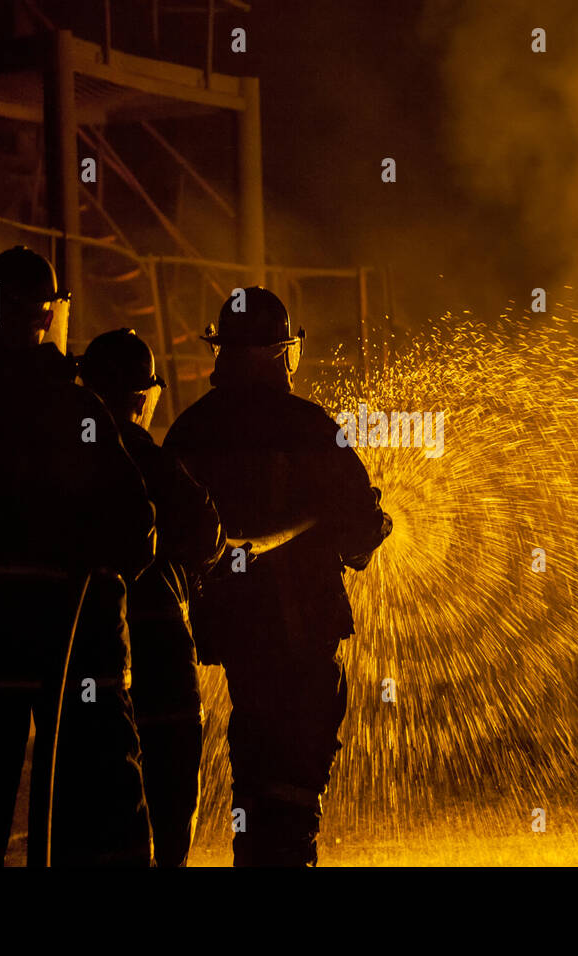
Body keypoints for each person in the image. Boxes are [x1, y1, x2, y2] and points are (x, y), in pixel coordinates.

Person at [0, 246, 156, 866]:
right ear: (49, 315)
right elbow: (136, 531)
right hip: (74, 658)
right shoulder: (77, 412)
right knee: (103, 821)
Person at [165, 286, 392, 866]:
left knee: (256, 752)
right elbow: (357, 534)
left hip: (235, 638)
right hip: (302, 631)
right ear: (276, 352)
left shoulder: (190, 431)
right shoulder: (309, 427)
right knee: (298, 764)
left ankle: (255, 850)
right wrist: (373, 526)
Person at [79, 328, 225, 866]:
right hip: (159, 651)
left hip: (89, 659)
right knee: (169, 784)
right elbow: (208, 534)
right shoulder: (148, 458)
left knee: (98, 797)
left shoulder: (67, 460)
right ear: (143, 397)